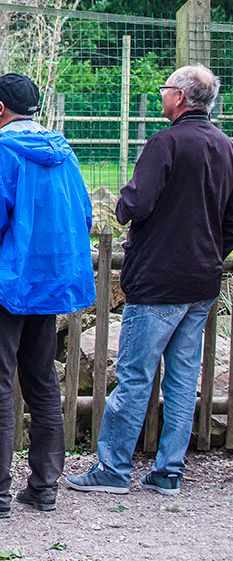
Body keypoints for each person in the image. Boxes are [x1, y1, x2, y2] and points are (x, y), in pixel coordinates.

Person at [66, 64, 233, 497]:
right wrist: (214, 252)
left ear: (179, 96)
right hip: (202, 280)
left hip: (159, 278)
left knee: (136, 375)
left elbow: (138, 202)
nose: (162, 95)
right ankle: (168, 470)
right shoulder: (225, 146)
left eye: (165, 89)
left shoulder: (167, 142)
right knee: (182, 378)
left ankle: (114, 468)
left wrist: (121, 208)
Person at [0, 73, 95, 519]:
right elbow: (82, 214)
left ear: (1, 108)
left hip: (4, 286)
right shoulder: (63, 155)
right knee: (43, 383)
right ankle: (44, 487)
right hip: (48, 285)